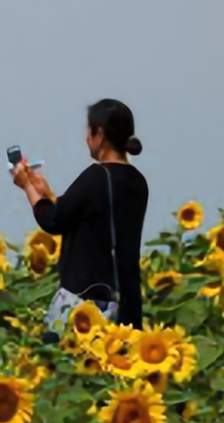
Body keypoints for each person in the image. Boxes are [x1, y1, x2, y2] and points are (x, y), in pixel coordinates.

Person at [12, 98, 148, 335]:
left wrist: (27, 187)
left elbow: (53, 221)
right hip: (125, 306)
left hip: (87, 307)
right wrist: (47, 193)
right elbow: (89, 215)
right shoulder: (137, 182)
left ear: (100, 134)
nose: (87, 138)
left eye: (89, 131)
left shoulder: (95, 176)